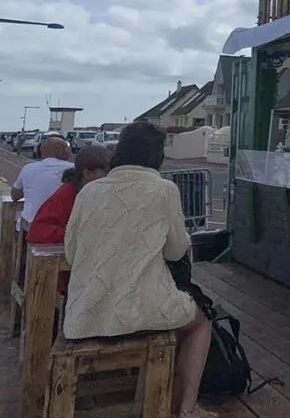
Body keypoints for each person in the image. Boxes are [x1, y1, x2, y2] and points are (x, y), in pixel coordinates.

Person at [63, 122, 213, 418]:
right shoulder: (163, 190)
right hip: (141, 309)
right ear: (157, 154)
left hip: (84, 313)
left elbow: (71, 253)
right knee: (200, 323)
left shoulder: (90, 191)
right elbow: (174, 250)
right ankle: (187, 409)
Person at [10, 135, 73, 230]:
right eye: (68, 148)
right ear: (59, 152)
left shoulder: (28, 168)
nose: (70, 152)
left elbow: (14, 196)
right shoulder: (74, 169)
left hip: (30, 225)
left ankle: (19, 244)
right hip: (61, 227)